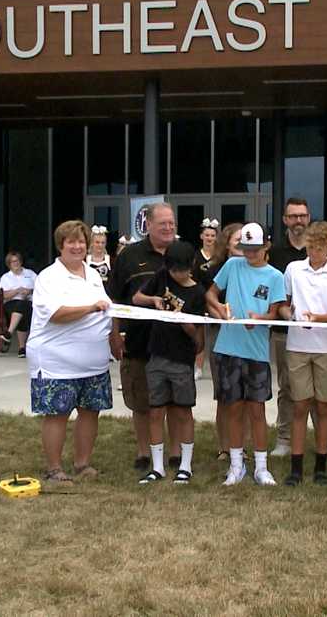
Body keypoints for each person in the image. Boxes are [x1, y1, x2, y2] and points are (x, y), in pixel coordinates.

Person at [26, 220, 113, 485]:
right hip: (56, 362)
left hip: (94, 362)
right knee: (57, 414)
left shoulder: (94, 274)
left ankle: (82, 463)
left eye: (81, 242)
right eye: (71, 242)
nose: (77, 247)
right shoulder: (48, 277)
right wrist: (91, 308)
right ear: (61, 246)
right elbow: (55, 315)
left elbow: (105, 308)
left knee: (90, 411)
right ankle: (54, 468)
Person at [206, 222, 287, 486]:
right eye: (245, 249)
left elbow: (275, 313)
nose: (249, 254)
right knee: (233, 409)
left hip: (256, 353)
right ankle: (236, 466)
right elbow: (210, 294)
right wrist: (218, 308)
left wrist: (260, 318)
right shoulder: (232, 266)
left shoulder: (275, 276)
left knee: (257, 410)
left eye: (254, 249)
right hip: (228, 349)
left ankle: (261, 468)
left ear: (266, 247)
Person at [277, 221, 327, 486]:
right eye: (309, 247)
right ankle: (296, 468)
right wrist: (292, 316)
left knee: (323, 406)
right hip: (297, 346)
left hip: (326, 348)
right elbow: (283, 305)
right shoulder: (293, 269)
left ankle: (321, 466)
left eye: (318, 248)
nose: (313, 253)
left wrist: (316, 318)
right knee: (299, 405)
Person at [109, 202, 177, 471]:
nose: (169, 228)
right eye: (163, 224)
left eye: (172, 223)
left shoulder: (184, 253)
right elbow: (115, 297)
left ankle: (173, 453)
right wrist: (114, 333)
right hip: (138, 341)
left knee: (174, 401)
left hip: (175, 344)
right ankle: (143, 452)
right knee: (141, 401)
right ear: (147, 225)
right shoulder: (129, 256)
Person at [133, 241, 206, 485]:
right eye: (174, 270)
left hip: (181, 360)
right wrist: (153, 300)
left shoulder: (198, 293)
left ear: (191, 266)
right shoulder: (162, 276)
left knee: (184, 411)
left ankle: (185, 465)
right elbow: (137, 297)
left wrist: (184, 322)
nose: (177, 275)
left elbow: (198, 337)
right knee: (156, 411)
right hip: (156, 356)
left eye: (182, 270)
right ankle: (157, 467)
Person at [268, 198, 311, 458]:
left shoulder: (318, 250)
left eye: (302, 216)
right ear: (285, 220)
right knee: (286, 387)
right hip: (285, 332)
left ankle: (324, 442)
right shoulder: (275, 254)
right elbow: (273, 294)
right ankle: (284, 438)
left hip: (317, 333)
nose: (298, 221)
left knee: (318, 390)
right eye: (293, 216)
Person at [201, 222, 244, 457]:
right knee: (225, 396)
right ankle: (225, 447)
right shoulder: (213, 270)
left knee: (245, 396)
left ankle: (242, 445)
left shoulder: (254, 267)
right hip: (221, 335)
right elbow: (207, 297)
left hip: (248, 335)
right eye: (237, 239)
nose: (242, 243)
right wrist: (217, 308)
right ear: (226, 243)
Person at [192, 218, 219, 379]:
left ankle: (217, 363)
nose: (209, 238)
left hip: (216, 300)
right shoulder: (196, 257)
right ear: (202, 237)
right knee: (199, 334)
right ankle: (199, 367)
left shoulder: (220, 257)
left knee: (216, 334)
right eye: (207, 235)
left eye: (212, 235)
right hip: (200, 300)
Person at [0, 251, 37, 357]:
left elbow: (40, 288)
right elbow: (4, 295)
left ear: (21, 261)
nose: (15, 263)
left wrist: (30, 291)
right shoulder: (5, 277)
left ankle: (9, 333)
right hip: (11, 304)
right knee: (20, 307)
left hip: (29, 303)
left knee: (23, 306)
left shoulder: (30, 274)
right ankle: (21, 348)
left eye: (17, 261)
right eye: (12, 262)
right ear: (9, 264)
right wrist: (17, 291)